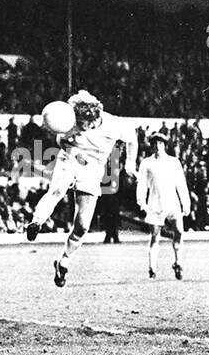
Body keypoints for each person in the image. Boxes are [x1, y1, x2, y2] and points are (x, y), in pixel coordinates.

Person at [24, 90, 136, 287]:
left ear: (94, 119)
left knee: (83, 225)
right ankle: (36, 222)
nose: (81, 130)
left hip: (93, 169)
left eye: (84, 126)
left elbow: (132, 138)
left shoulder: (114, 125)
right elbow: (61, 140)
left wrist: (130, 165)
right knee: (56, 191)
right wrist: (72, 150)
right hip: (70, 158)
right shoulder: (70, 123)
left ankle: (63, 262)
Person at [137, 133, 190, 279]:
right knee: (154, 236)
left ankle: (178, 263)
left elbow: (181, 183)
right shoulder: (146, 163)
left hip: (172, 202)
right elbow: (142, 184)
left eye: (160, 143)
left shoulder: (174, 162)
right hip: (155, 203)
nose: (157, 146)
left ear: (164, 145)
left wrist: (186, 203)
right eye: (154, 144)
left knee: (179, 232)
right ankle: (152, 268)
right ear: (152, 146)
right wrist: (142, 202)